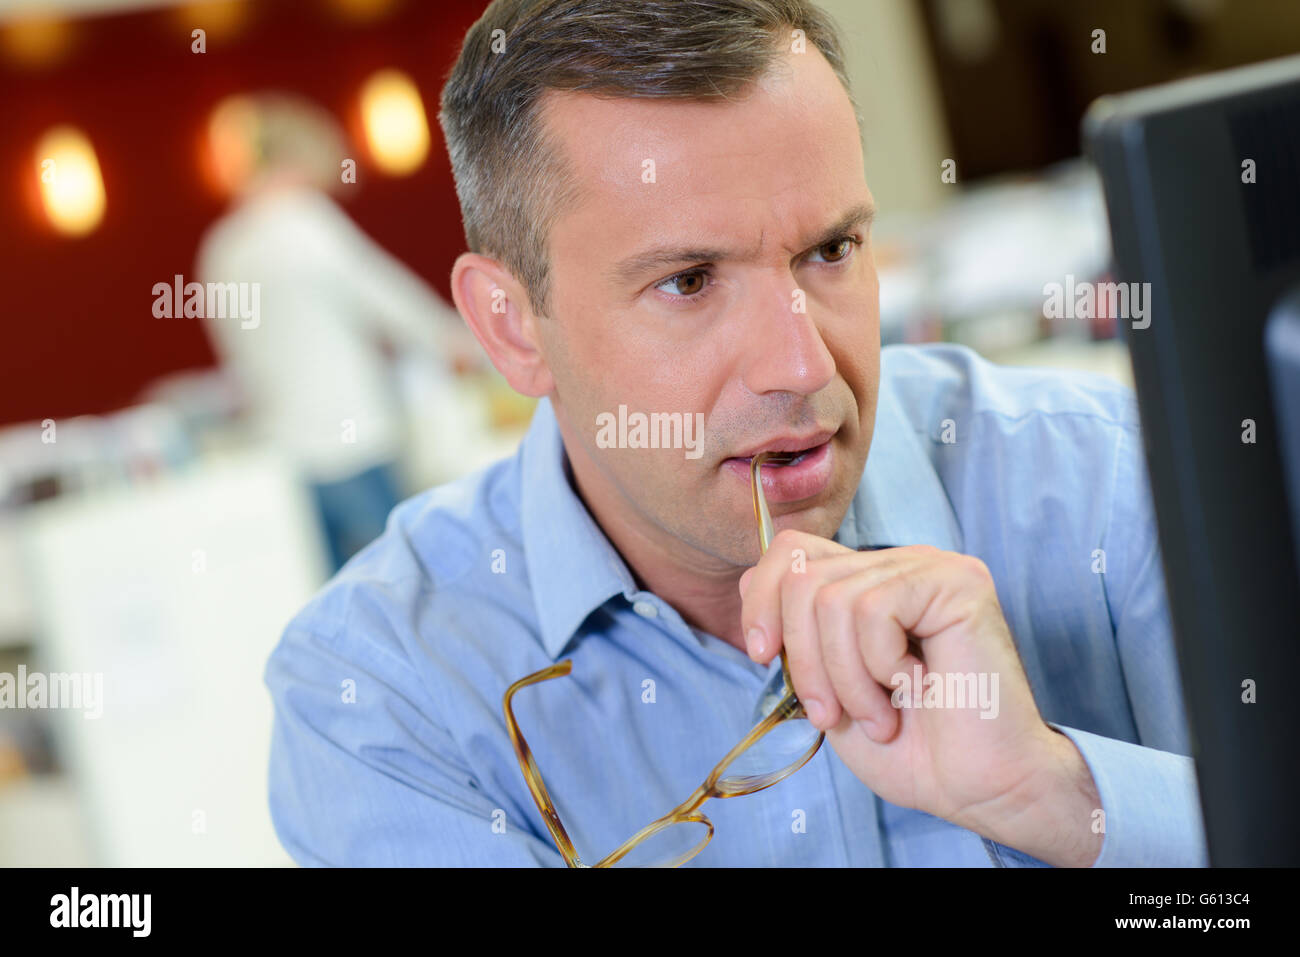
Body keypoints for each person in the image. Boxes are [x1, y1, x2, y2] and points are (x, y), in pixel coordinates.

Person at [264, 0, 1208, 866]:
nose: (803, 366)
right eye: (688, 281)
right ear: (513, 328)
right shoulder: (381, 694)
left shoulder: (1118, 487)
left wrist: (1056, 794)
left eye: (831, 249)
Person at [197, 92, 479, 573]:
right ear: (295, 159)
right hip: (354, 441)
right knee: (400, 581)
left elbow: (238, 355)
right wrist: (458, 341)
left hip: (290, 453)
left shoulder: (224, 245)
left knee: (343, 591)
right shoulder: (302, 220)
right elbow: (385, 296)